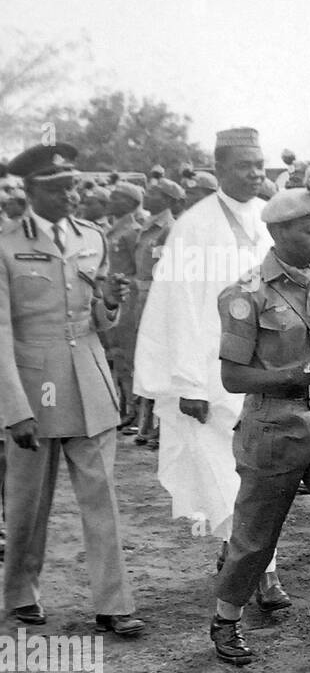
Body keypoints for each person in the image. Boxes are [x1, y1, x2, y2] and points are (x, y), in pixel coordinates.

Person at [208, 186, 310, 673]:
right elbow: (233, 377)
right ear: (278, 233)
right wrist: (294, 377)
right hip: (274, 426)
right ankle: (226, 617)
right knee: (257, 537)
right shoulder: (247, 293)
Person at [135, 127, 288, 605]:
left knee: (264, 473)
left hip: (262, 370)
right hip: (210, 373)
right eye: (245, 165)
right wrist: (187, 382)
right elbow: (177, 308)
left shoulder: (269, 219)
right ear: (220, 169)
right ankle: (258, 570)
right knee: (226, 473)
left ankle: (249, 559)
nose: (256, 173)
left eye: (260, 164)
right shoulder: (194, 226)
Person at [0, 142, 143, 635]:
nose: (71, 196)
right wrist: (13, 407)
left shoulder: (93, 237)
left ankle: (113, 603)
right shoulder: (6, 244)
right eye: (59, 189)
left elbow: (99, 321)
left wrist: (109, 303)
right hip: (35, 390)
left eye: (73, 186)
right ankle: (20, 593)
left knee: (103, 497)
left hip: (89, 380)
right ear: (32, 190)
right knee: (27, 502)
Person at [130, 178, 184, 447]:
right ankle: (147, 425)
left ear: (170, 201)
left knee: (162, 360)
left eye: (155, 193)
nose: (147, 197)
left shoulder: (169, 229)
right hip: (142, 297)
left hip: (158, 298)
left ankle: (163, 428)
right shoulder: (148, 226)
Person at [101, 182, 144, 431]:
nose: (111, 200)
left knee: (128, 356)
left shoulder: (132, 231)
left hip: (128, 300)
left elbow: (138, 269)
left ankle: (136, 410)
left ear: (130, 202)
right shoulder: (114, 229)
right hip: (113, 299)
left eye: (117, 197)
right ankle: (125, 405)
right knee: (116, 355)